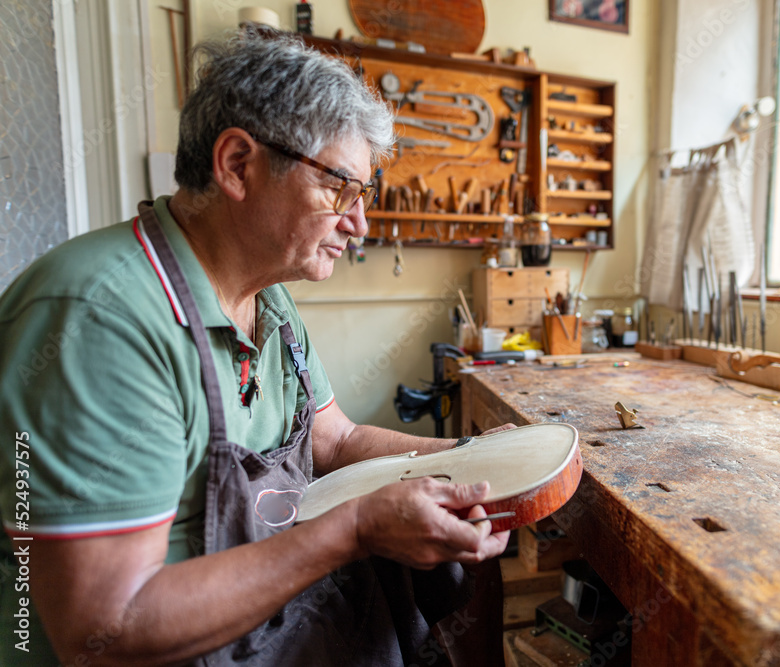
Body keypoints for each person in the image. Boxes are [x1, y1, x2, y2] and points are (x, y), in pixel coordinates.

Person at [0, 30, 510, 666]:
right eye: (340, 188)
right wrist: (353, 529)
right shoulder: (98, 319)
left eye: (364, 196)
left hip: (271, 630)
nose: (360, 225)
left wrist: (486, 463)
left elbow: (338, 443)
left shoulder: (267, 298)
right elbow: (105, 628)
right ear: (238, 165)